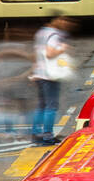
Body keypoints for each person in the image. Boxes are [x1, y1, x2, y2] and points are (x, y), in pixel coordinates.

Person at [30, 15, 72, 145]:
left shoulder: (40, 33)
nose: (65, 23)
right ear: (55, 20)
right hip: (50, 75)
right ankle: (48, 135)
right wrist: (62, 49)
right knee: (51, 106)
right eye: (63, 20)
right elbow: (50, 53)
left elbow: (36, 53)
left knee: (41, 105)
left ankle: (36, 132)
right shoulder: (54, 35)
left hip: (39, 73)